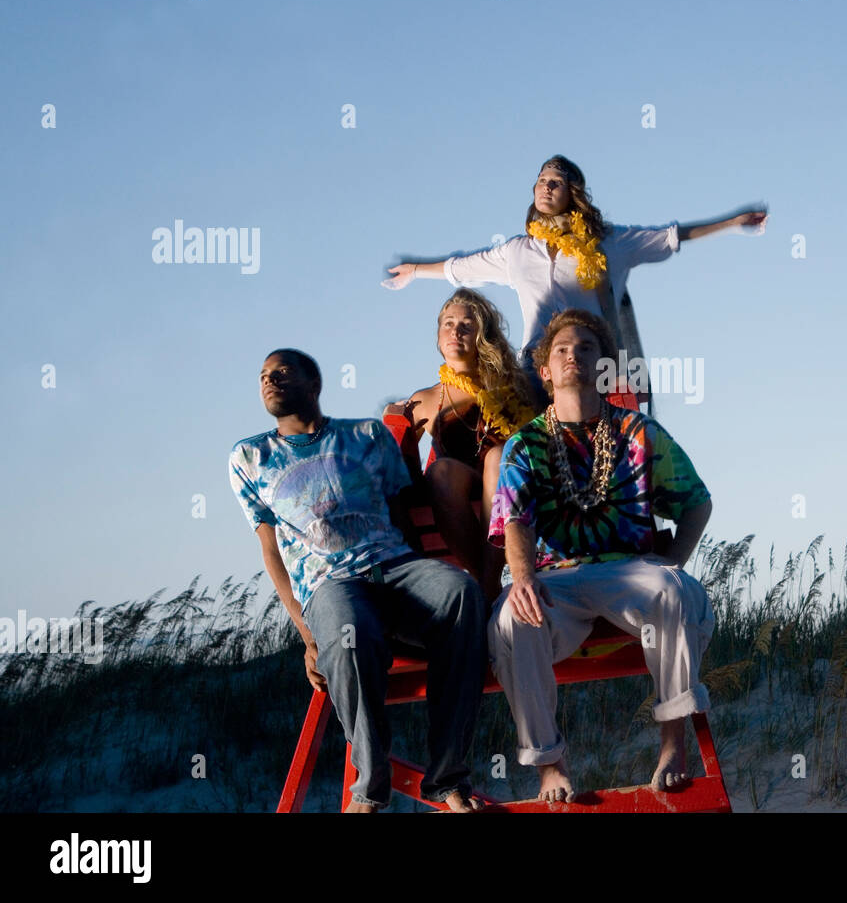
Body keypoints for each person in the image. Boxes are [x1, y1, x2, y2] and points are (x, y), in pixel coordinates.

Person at [229, 348, 487, 813]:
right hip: (330, 585)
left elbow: (404, 515)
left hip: (394, 567)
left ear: (314, 384)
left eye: (282, 371)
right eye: (263, 375)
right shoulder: (249, 457)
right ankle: (370, 787)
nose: (269, 380)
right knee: (347, 634)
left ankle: (448, 777)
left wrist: (418, 578)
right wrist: (309, 636)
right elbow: (271, 553)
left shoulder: (366, 436)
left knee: (461, 593)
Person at [486, 310, 715, 803]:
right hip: (556, 577)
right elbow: (515, 520)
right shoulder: (525, 443)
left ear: (605, 365)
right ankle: (550, 764)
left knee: (677, 591)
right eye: (562, 349)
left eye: (586, 347)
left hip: (626, 571)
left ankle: (672, 744)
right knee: (512, 620)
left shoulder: (637, 431)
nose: (574, 355)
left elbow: (697, 502)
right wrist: (522, 576)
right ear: (545, 370)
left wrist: (669, 561)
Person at [381, 154, 767, 407]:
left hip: (591, 365)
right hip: (535, 366)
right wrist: (415, 271)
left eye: (556, 182)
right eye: (541, 180)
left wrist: (732, 224)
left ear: (573, 194)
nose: (546, 186)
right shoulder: (518, 251)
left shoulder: (607, 243)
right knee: (499, 409)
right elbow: (461, 267)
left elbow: (671, 236)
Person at [382, 289, 539, 599]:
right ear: (439, 336)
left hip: (511, 482)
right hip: (457, 485)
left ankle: (487, 582)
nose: (456, 331)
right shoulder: (424, 399)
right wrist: (391, 416)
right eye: (448, 323)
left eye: (466, 325)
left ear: (483, 334)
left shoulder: (515, 385)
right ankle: (488, 584)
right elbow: (401, 466)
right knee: (440, 470)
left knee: (497, 456)